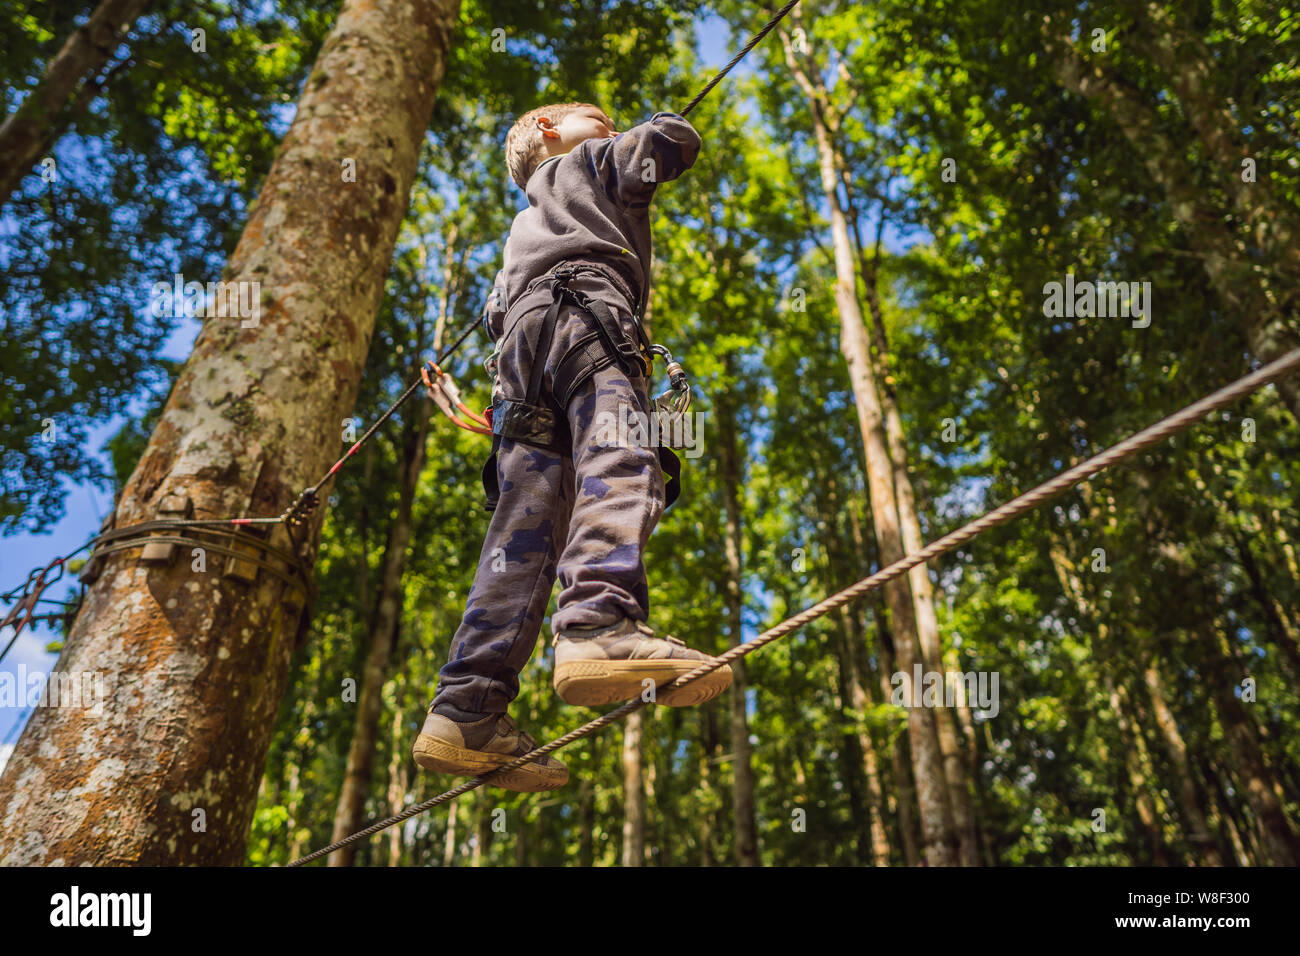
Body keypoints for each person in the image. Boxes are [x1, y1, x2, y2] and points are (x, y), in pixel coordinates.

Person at [412, 102, 733, 792]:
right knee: (620, 454)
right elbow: (672, 144)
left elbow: (504, 317)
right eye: (599, 117)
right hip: (589, 315)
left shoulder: (521, 236)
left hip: (521, 373)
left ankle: (467, 708)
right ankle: (598, 620)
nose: (611, 127)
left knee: (524, 535)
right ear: (551, 134)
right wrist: (661, 120)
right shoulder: (588, 165)